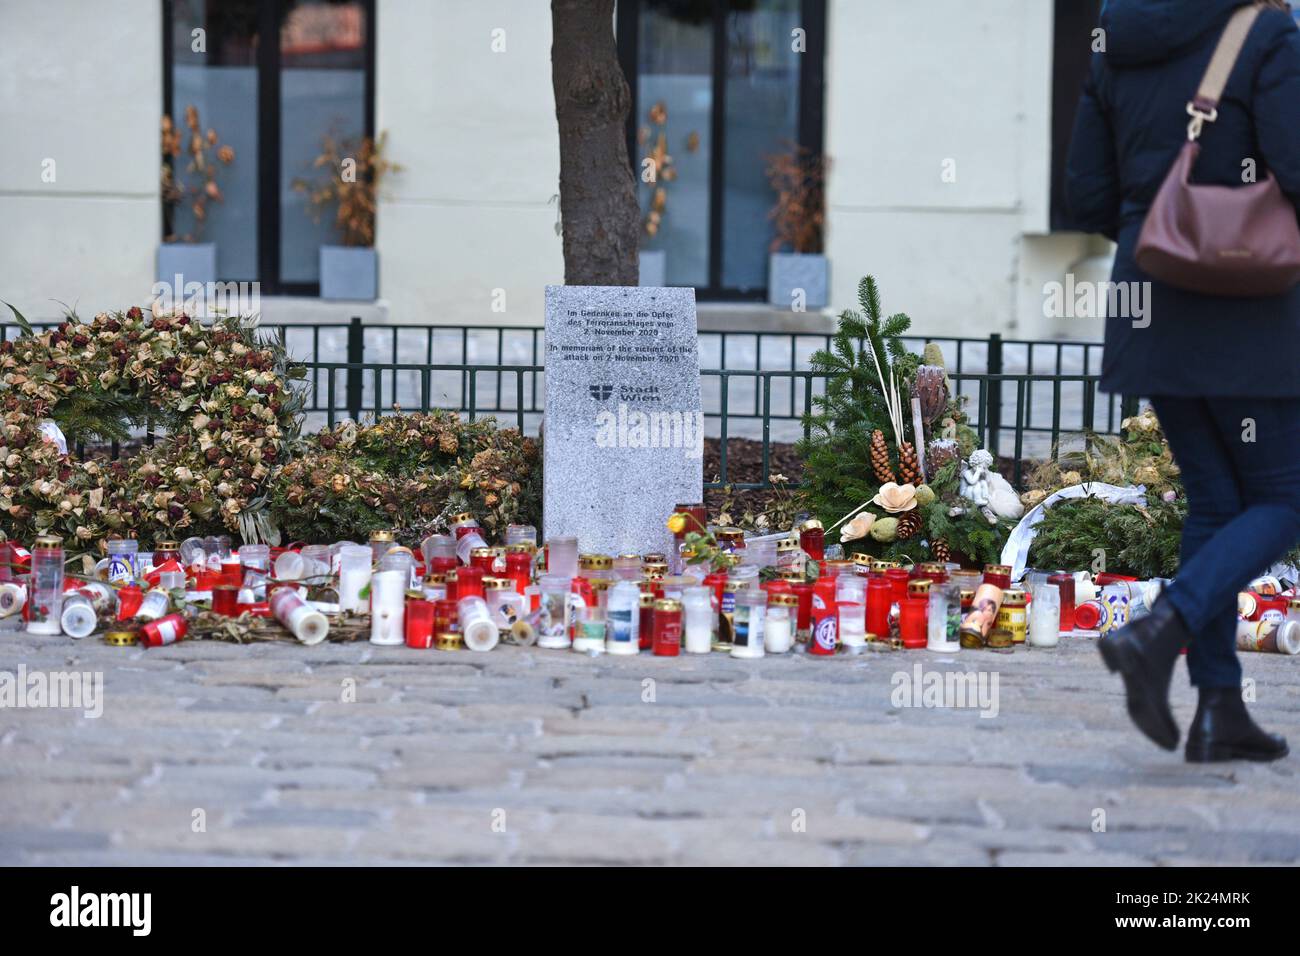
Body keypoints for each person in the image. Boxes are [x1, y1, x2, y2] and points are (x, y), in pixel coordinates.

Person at [1065, 0, 1300, 762]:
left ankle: (1219, 710)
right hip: (1251, 312)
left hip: (1149, 296)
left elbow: (1088, 196)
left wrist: (1167, 233)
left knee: (1217, 500)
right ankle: (1159, 628)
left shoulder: (1111, 38)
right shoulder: (1265, 33)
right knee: (1286, 495)